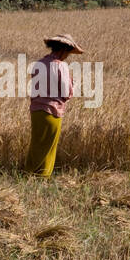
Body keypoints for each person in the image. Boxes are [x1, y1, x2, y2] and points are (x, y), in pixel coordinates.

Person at [25, 32, 84, 177]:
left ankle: (28, 174)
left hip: (36, 110)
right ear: (64, 50)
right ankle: (42, 176)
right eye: (68, 53)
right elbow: (66, 93)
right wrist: (74, 84)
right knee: (48, 147)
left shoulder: (38, 64)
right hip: (52, 112)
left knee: (36, 144)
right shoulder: (61, 66)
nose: (67, 56)